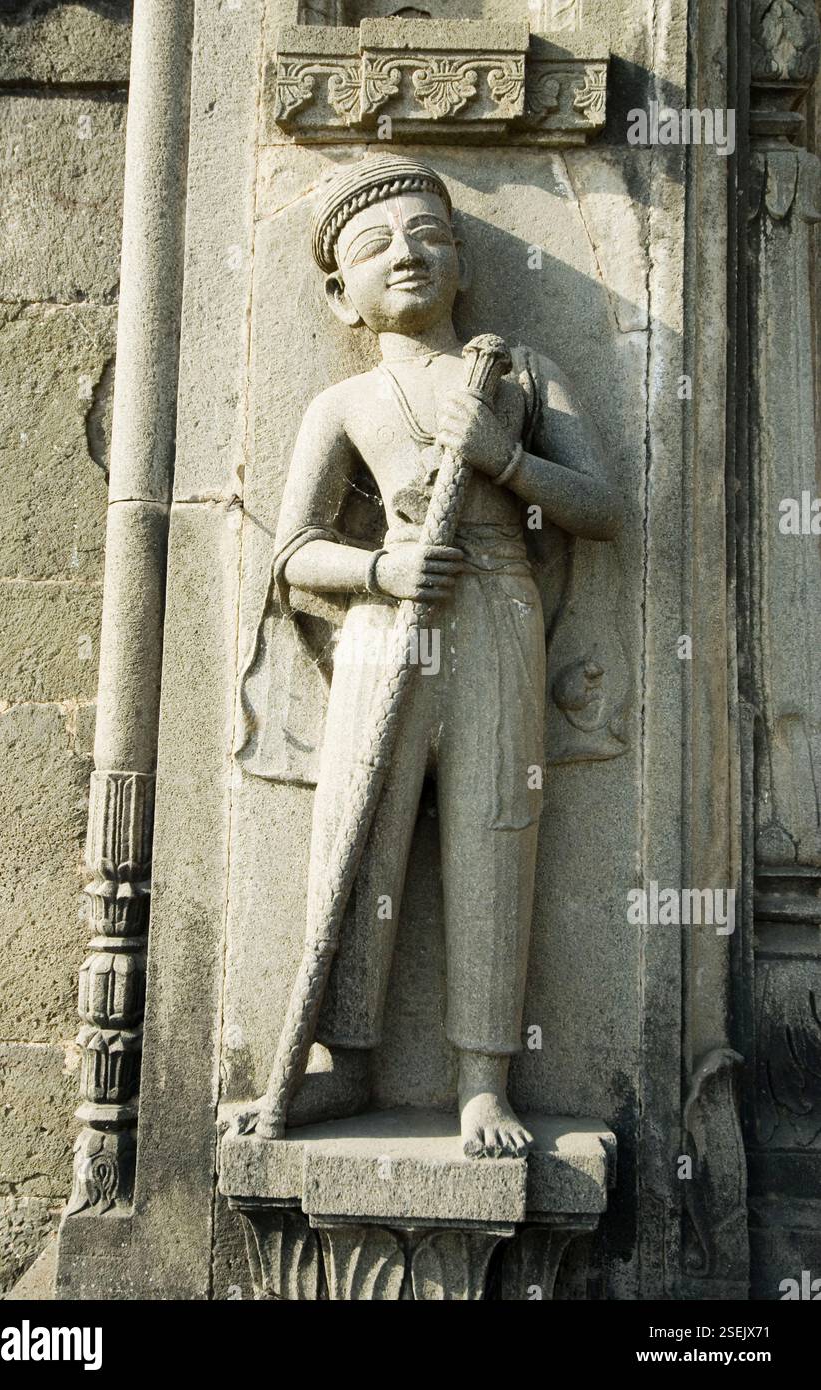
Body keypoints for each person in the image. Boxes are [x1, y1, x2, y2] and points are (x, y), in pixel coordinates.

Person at [237, 155, 618, 1157]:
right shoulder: (347, 407)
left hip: (498, 613)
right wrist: (381, 570)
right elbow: (292, 557)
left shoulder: (520, 374)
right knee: (358, 843)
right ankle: (343, 1056)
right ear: (341, 295)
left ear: (462, 266)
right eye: (375, 247)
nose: (406, 254)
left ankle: (484, 1079)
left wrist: (507, 460)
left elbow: (600, 507)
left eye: (429, 237)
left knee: (497, 829)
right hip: (384, 632)